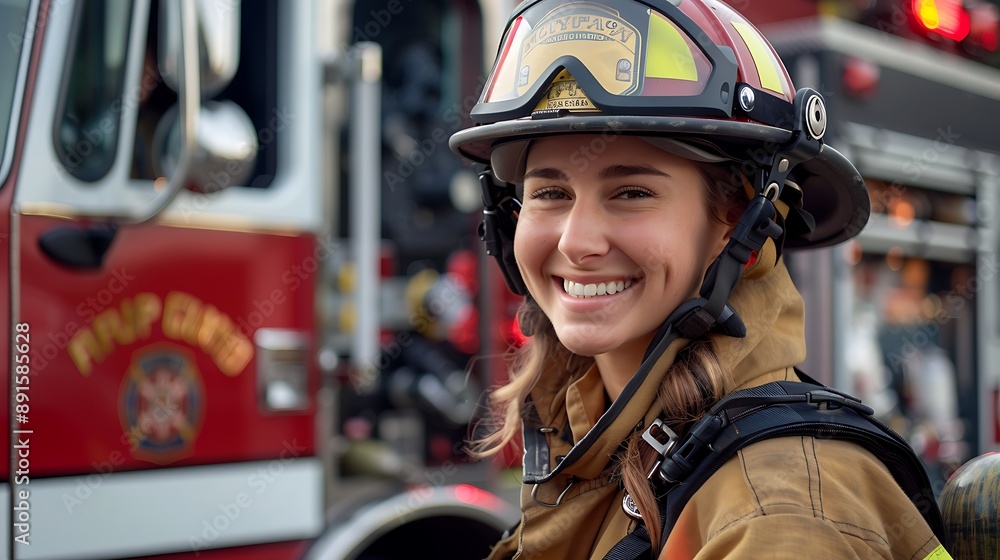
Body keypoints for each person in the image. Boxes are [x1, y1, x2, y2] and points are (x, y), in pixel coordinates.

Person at [449, 1, 951, 559]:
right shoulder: (605, 454)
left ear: (740, 223)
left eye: (631, 193)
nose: (574, 241)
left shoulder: (782, 516)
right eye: (550, 193)